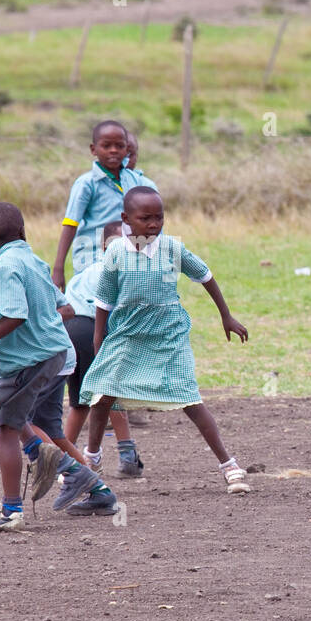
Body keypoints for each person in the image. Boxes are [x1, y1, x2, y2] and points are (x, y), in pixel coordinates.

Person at [80, 187, 252, 495]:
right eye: (145, 218)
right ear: (125, 219)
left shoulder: (173, 249)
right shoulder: (116, 252)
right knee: (102, 395)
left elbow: (205, 276)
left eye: (159, 217)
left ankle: (230, 466)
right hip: (128, 335)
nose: (154, 224)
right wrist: (98, 338)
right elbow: (104, 299)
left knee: (189, 398)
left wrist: (226, 316)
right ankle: (90, 461)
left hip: (169, 335)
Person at [0, 203, 114, 531]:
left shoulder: (3, 267)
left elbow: (16, 314)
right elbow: (60, 307)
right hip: (52, 357)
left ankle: (10, 510)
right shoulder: (32, 260)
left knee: (6, 428)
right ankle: (47, 456)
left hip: (27, 361)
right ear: (21, 232)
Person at [63, 220, 144, 475]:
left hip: (69, 333)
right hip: (90, 331)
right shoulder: (121, 273)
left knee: (81, 401)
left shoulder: (86, 272)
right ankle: (125, 455)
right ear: (104, 246)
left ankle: (62, 456)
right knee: (107, 394)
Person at [49, 119, 157, 290]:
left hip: (131, 259)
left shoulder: (138, 182)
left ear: (126, 149)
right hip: (93, 259)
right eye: (106, 146)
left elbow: (155, 225)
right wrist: (58, 268)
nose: (113, 150)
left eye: (119, 146)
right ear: (94, 149)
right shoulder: (86, 184)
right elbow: (70, 224)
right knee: (95, 308)